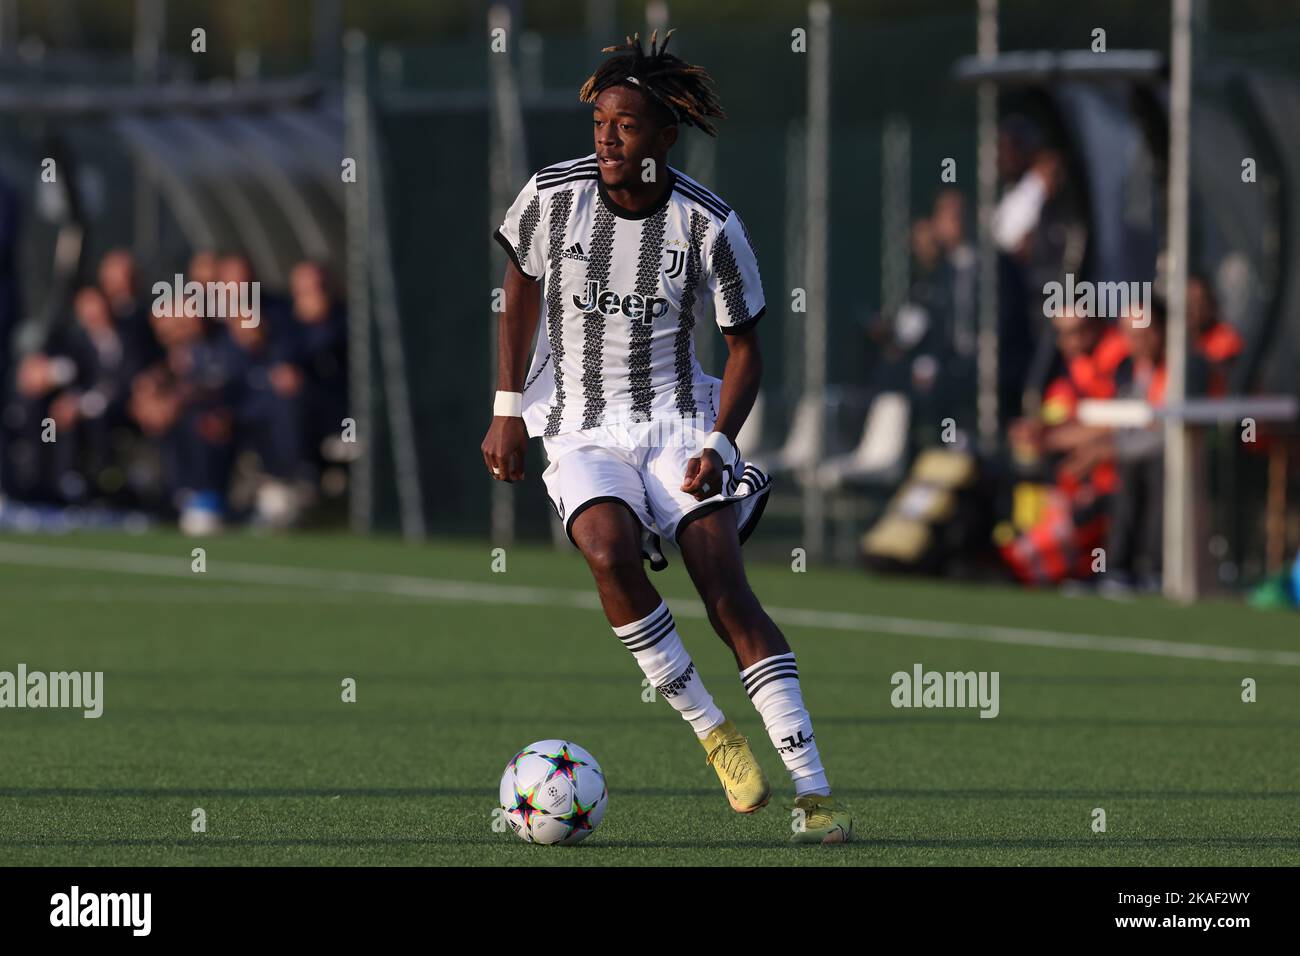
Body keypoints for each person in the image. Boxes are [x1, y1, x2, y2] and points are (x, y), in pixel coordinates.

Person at [481, 30, 850, 844]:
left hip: (678, 423)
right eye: (600, 124)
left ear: (664, 137)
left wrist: (719, 444)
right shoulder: (551, 197)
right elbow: (520, 282)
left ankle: (815, 791)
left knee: (724, 588)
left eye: (626, 126)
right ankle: (714, 732)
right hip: (579, 424)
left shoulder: (709, 225)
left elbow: (749, 346)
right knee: (608, 550)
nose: (608, 139)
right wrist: (509, 404)